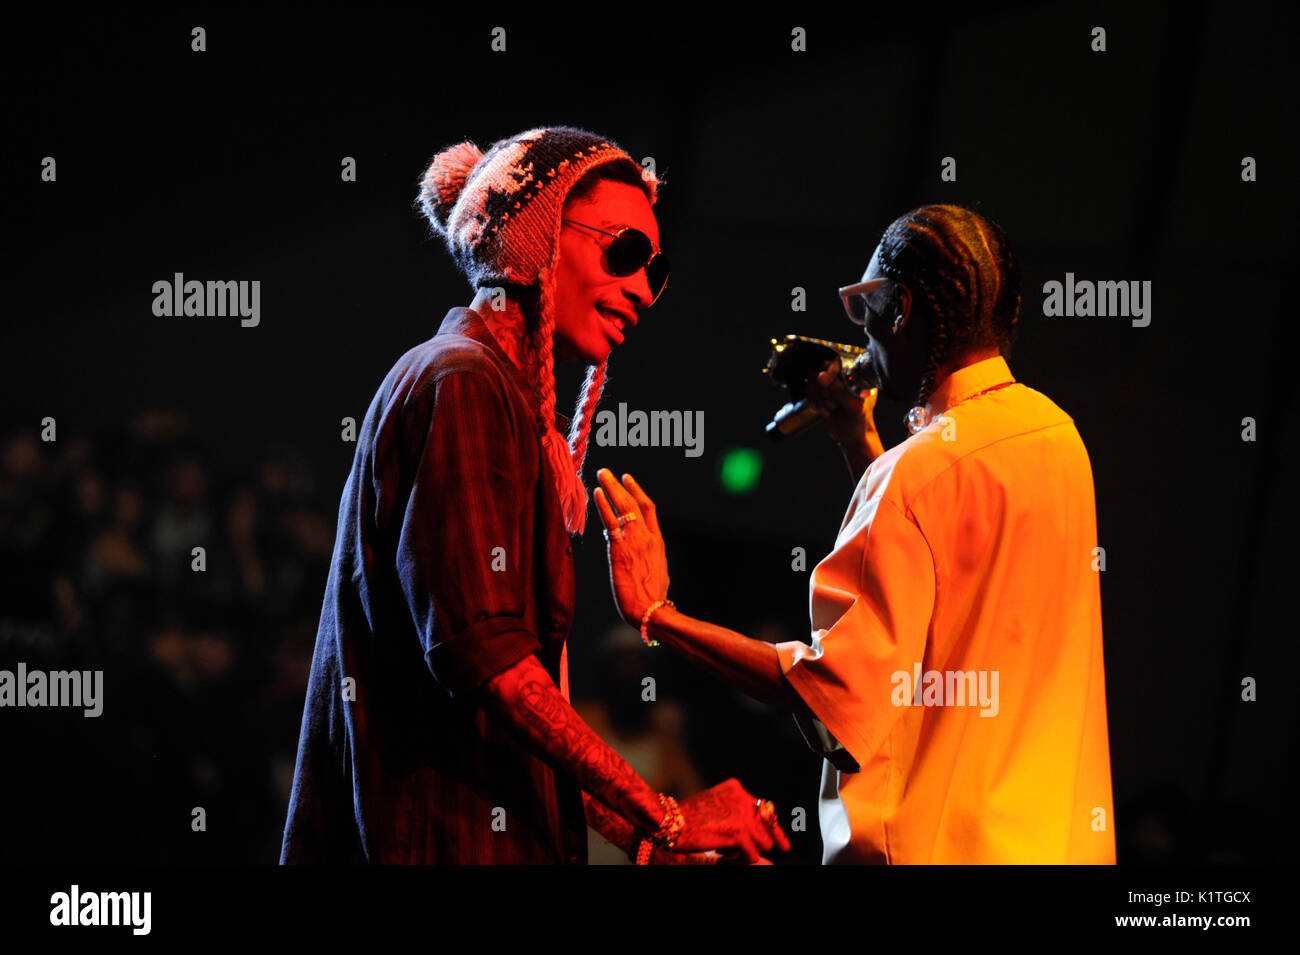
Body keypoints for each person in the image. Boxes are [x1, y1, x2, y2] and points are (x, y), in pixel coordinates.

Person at [280, 126, 788, 864]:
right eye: (625, 252)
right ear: (535, 238)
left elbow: (508, 703)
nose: (644, 288)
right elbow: (491, 666)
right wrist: (667, 815)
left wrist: (641, 838)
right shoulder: (463, 383)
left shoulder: (495, 398)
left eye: (658, 269)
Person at [594, 203, 1116, 864]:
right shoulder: (1056, 438)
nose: (864, 336)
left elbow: (830, 696)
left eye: (866, 308)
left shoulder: (916, 472)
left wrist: (658, 615)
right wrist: (861, 446)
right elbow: (941, 571)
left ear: (900, 309)